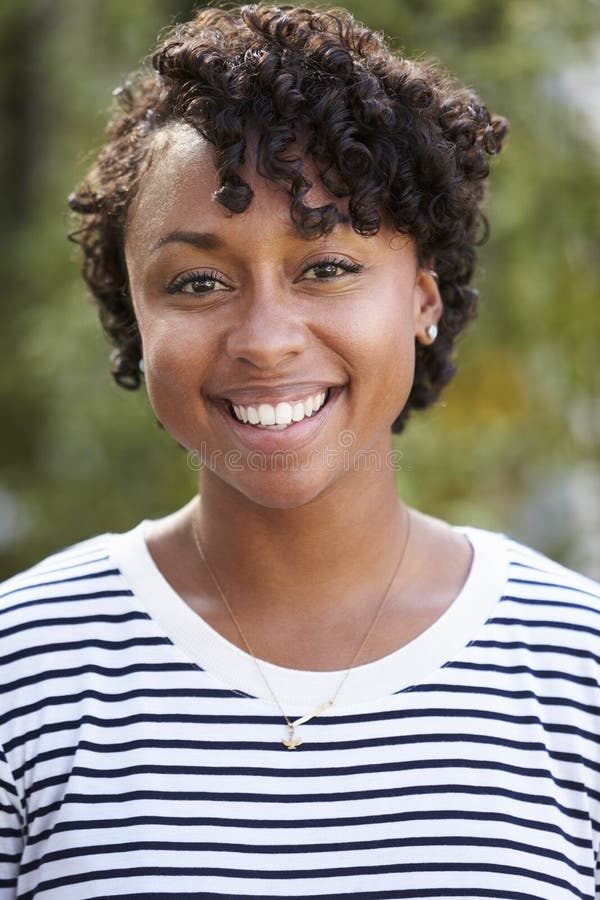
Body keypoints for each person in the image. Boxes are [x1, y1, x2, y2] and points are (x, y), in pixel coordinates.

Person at [1, 5, 599, 898]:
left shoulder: (576, 668)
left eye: (327, 267)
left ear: (422, 300)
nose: (267, 340)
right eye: (198, 282)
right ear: (136, 318)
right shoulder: (25, 669)